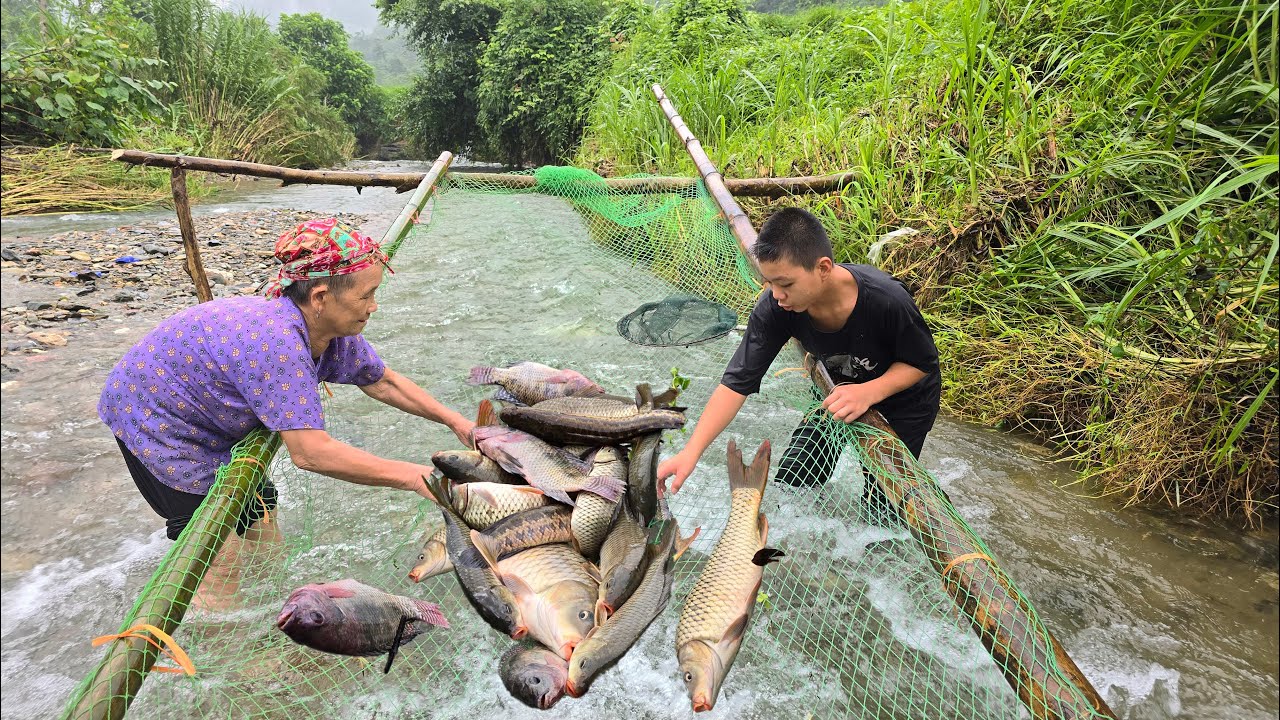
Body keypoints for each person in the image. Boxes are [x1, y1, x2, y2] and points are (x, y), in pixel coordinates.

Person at [99, 218, 474, 607]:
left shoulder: (326, 330)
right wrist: (416, 477)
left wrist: (458, 422)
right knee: (217, 557)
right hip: (157, 423)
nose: (373, 306)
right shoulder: (277, 343)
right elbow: (311, 453)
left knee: (262, 523)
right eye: (367, 296)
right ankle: (220, 653)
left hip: (209, 415)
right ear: (320, 298)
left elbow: (382, 381)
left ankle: (268, 611)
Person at [657, 208, 941, 518]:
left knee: (881, 508)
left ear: (823, 268)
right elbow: (736, 382)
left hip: (904, 401)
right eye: (769, 283)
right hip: (834, 390)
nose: (777, 295)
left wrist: (869, 393)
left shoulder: (886, 300)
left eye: (786, 284)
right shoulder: (777, 308)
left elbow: (922, 363)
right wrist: (691, 452)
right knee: (794, 479)